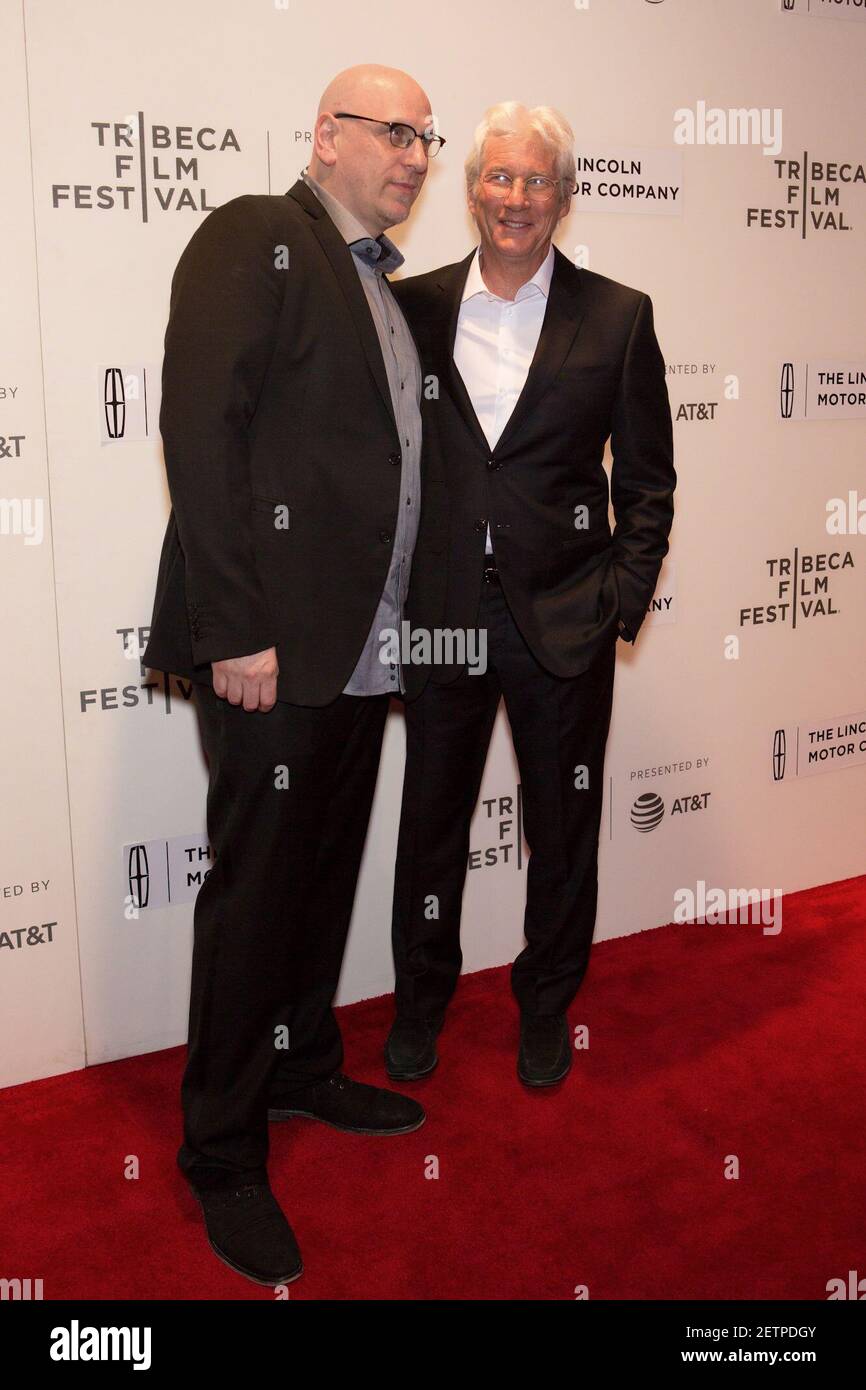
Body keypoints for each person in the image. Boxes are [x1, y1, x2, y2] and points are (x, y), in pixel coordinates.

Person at [142, 63, 448, 1287]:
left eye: (428, 137)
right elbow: (196, 423)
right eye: (393, 133)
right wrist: (234, 628)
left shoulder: (381, 286)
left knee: (320, 871)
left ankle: (300, 1065)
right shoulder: (258, 233)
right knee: (260, 886)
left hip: (360, 641)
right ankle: (218, 1145)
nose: (416, 157)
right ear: (325, 136)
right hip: (271, 642)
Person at [385, 101, 676, 1089]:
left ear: (563, 193)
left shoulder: (616, 314)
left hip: (563, 620)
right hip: (438, 617)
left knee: (561, 826)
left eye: (534, 179)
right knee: (429, 825)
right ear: (469, 190)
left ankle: (545, 999)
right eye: (497, 178)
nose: (513, 197)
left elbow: (646, 482)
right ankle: (420, 998)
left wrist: (617, 602)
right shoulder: (408, 307)